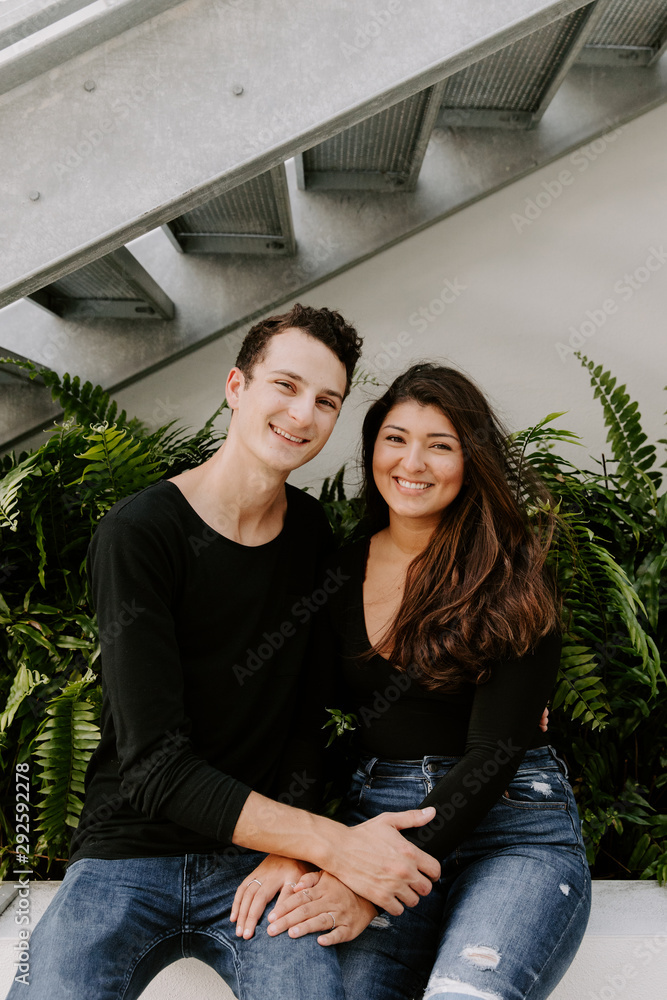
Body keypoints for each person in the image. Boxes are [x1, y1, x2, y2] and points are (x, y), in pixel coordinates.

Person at [7, 308, 441, 1000]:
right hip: (126, 855)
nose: (302, 414)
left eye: (326, 401)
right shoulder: (140, 535)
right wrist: (326, 842)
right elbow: (156, 768)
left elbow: (307, 721)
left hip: (259, 865)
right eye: (285, 385)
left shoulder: (310, 536)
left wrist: (287, 851)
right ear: (237, 386)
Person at [258, 363, 591, 1000]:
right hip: (379, 819)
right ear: (373, 449)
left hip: (511, 830)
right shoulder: (338, 573)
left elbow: (494, 752)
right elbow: (306, 729)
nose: (412, 462)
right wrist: (296, 845)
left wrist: (366, 887)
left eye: (440, 445)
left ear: (471, 462)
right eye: (396, 439)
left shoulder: (514, 570)